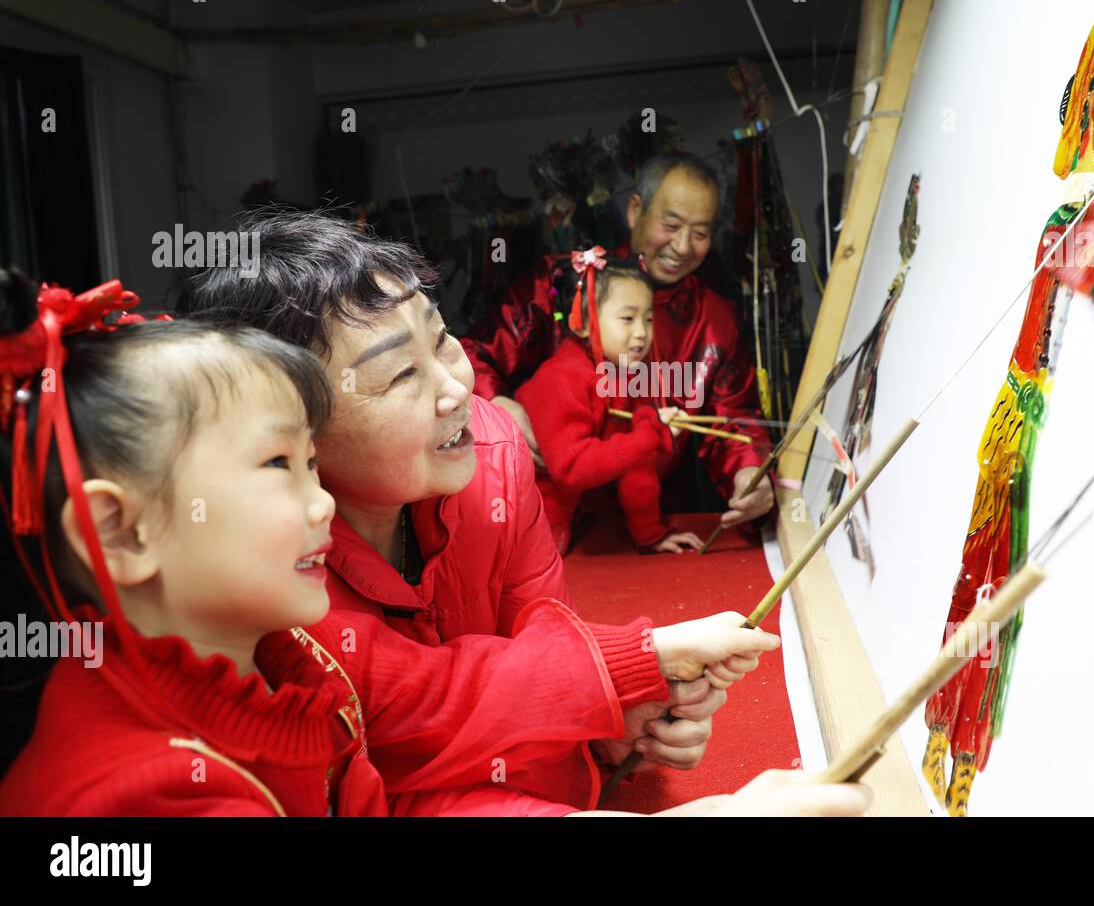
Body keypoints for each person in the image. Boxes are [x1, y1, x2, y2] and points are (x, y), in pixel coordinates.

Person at [0, 277, 869, 817]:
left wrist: (617, 703)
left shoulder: (291, 668)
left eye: (444, 339)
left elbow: (458, 700)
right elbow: (429, 706)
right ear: (120, 529)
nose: (317, 504)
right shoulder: (137, 794)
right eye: (280, 464)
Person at [179, 212, 755, 801]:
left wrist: (601, 729)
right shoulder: (268, 568)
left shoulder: (494, 450)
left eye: (441, 339)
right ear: (287, 431)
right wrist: (626, 664)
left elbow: (538, 641)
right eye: (401, 372)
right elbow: (392, 749)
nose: (457, 389)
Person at [463, 152, 776, 529]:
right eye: (671, 224)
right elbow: (470, 355)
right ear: (634, 211)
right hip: (549, 514)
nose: (682, 246)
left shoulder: (715, 319)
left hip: (652, 518)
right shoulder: (565, 283)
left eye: (700, 233)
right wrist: (496, 406)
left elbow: (733, 420)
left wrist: (749, 472)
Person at [516, 252, 700, 554]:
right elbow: (571, 468)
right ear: (584, 323)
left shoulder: (623, 377)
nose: (641, 332)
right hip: (524, 518)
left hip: (570, 521)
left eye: (649, 318)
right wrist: (650, 435)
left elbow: (636, 463)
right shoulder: (561, 378)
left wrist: (650, 534)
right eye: (628, 318)